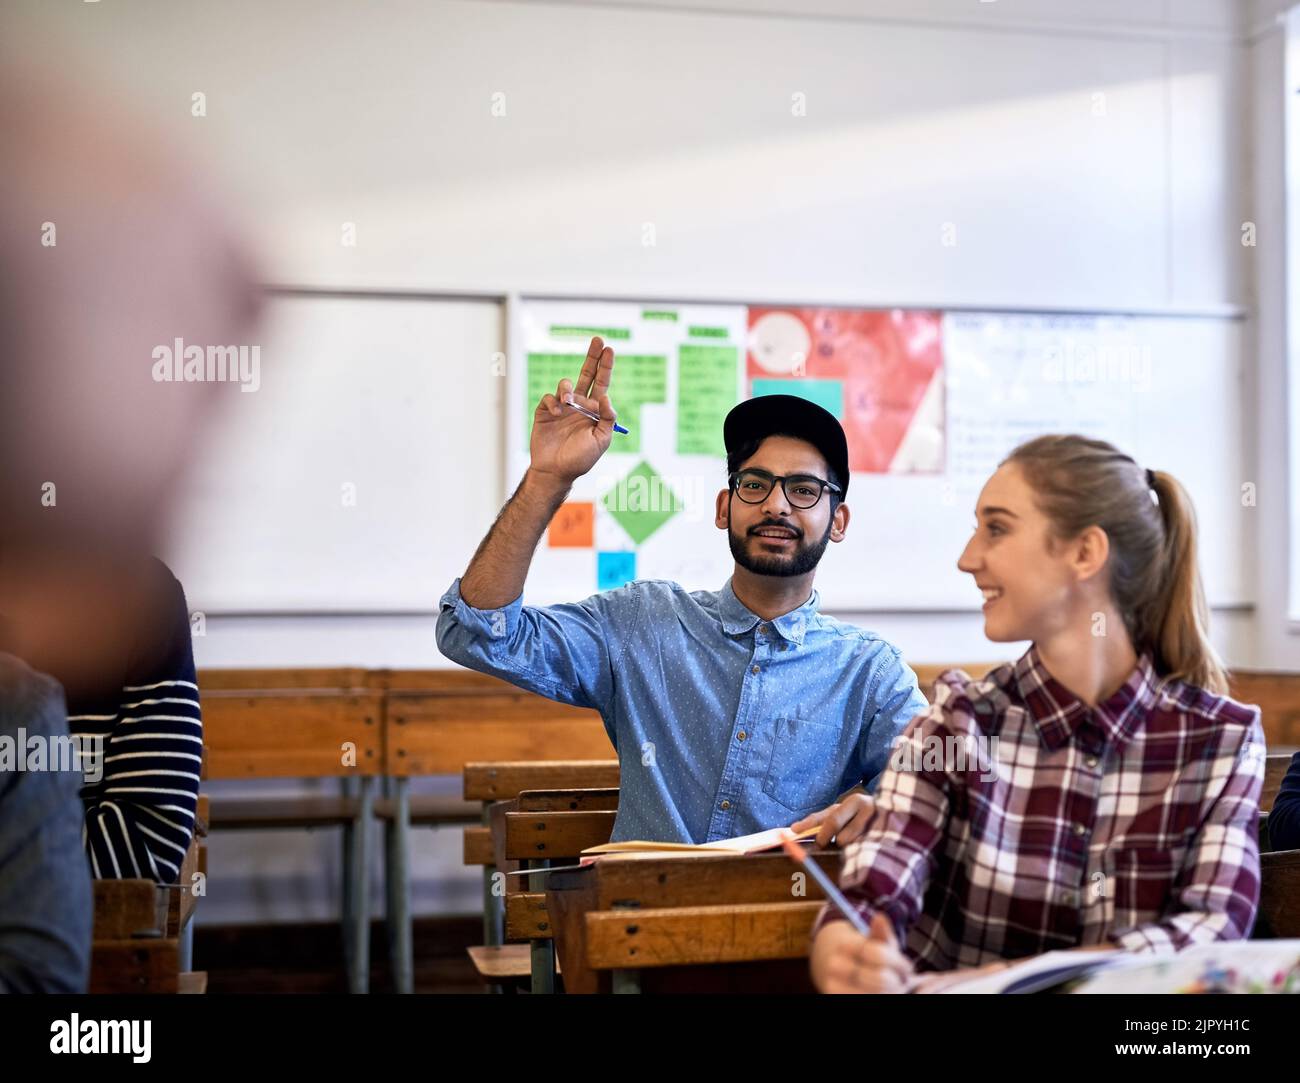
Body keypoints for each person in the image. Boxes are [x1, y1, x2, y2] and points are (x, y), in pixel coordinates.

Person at [809, 434, 1265, 993]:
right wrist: (844, 949)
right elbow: (872, 891)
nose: (967, 558)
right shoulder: (954, 724)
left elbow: (1212, 934)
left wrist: (1019, 980)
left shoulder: (1223, 740)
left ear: (1084, 553)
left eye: (996, 528)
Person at [437, 337, 927, 844]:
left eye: (804, 490)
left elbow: (937, 790)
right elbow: (475, 632)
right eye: (754, 484)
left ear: (837, 520)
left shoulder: (869, 672)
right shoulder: (642, 622)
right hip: (637, 917)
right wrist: (546, 478)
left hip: (789, 917)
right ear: (723, 508)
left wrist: (882, 807)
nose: (777, 506)